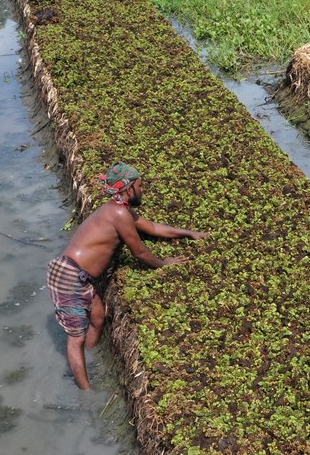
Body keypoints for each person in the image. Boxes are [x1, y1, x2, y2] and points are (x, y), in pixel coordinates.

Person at [46, 162, 208, 390]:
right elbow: (140, 252)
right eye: (140, 186)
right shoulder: (119, 213)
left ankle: (90, 360)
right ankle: (85, 392)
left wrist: (189, 233)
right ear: (129, 188)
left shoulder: (120, 210)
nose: (143, 190)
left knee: (98, 318)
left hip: (79, 275)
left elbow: (152, 227)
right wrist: (163, 264)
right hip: (70, 275)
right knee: (76, 338)